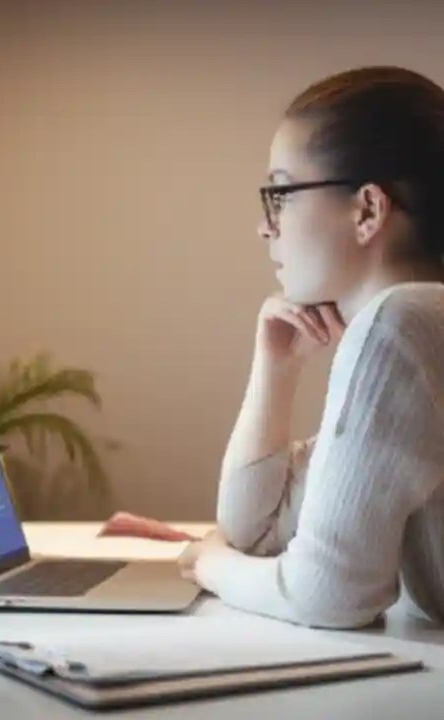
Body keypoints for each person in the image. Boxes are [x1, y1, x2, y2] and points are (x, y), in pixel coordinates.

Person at [178, 66, 444, 629]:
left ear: (368, 210)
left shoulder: (400, 326)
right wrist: (276, 365)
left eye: (281, 194)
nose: (265, 227)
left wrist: (209, 564)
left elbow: (329, 593)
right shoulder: (414, 324)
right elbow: (256, 530)